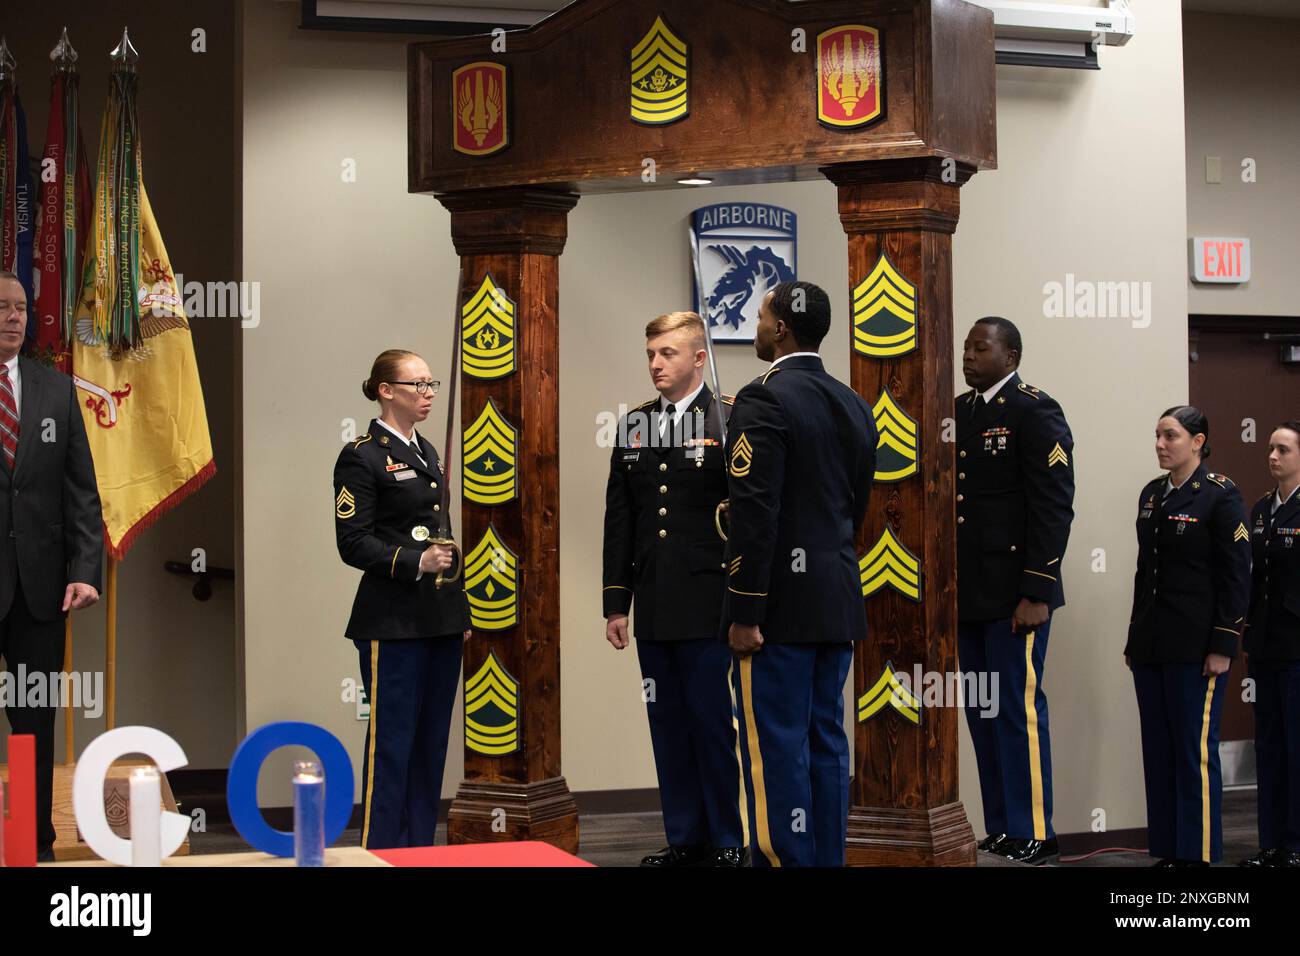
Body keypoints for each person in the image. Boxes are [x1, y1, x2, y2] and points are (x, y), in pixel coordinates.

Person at [722, 280, 877, 867]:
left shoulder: (762, 398)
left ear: (781, 328)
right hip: (834, 598)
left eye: (762, 316)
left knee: (774, 749)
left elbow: (755, 515)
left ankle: (785, 860)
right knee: (825, 744)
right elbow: (854, 508)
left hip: (777, 610)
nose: (757, 324)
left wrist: (745, 609)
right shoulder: (852, 400)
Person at [602, 311, 745, 868]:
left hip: (712, 602)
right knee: (667, 723)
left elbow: (749, 518)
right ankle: (685, 836)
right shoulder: (635, 424)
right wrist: (617, 603)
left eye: (668, 354)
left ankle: (730, 839)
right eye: (651, 355)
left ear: (699, 358)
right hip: (656, 601)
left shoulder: (729, 418)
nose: (657, 365)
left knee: (715, 723)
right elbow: (622, 519)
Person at [333, 348, 471, 850]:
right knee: (392, 747)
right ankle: (382, 851)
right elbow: (353, 541)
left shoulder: (427, 451)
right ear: (386, 391)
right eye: (417, 384)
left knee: (431, 744)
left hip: (438, 619)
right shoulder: (361, 454)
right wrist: (415, 562)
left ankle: (417, 852)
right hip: (391, 622)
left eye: (432, 383)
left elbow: (443, 534)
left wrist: (459, 609)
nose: (428, 393)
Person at [955, 316, 1075, 865]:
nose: (969, 356)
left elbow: (1053, 506)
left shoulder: (1034, 409)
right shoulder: (960, 412)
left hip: (1015, 596)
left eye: (981, 348)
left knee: (1017, 711)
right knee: (983, 713)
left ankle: (1035, 829)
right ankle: (1002, 824)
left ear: (1012, 354)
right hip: (970, 594)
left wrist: (1038, 590)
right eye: (966, 347)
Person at [0, 270, 103, 863]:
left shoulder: (55, 390)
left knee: (33, 720)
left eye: (20, 307)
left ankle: (35, 845)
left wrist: (84, 568)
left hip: (40, 591)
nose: (14, 317)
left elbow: (81, 490)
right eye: (3, 307)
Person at [1125, 406, 1250, 867]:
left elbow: (1237, 576)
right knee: (1157, 751)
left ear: (1197, 442)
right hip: (1152, 644)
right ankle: (1168, 851)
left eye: (1170, 436)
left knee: (1193, 754)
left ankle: (1196, 855)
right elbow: (1145, 574)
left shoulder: (1220, 496)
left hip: (1196, 648)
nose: (1160, 444)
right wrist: (1134, 638)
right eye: (1157, 435)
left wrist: (1223, 644)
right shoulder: (1152, 495)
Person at [1240, 421, 1300, 868]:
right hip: (1264, 645)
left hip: (1297, 646)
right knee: (1270, 746)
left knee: (1297, 747)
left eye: (1283, 449)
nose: (1273, 456)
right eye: (1270, 449)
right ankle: (1271, 842)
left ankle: (1296, 844)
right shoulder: (1261, 510)